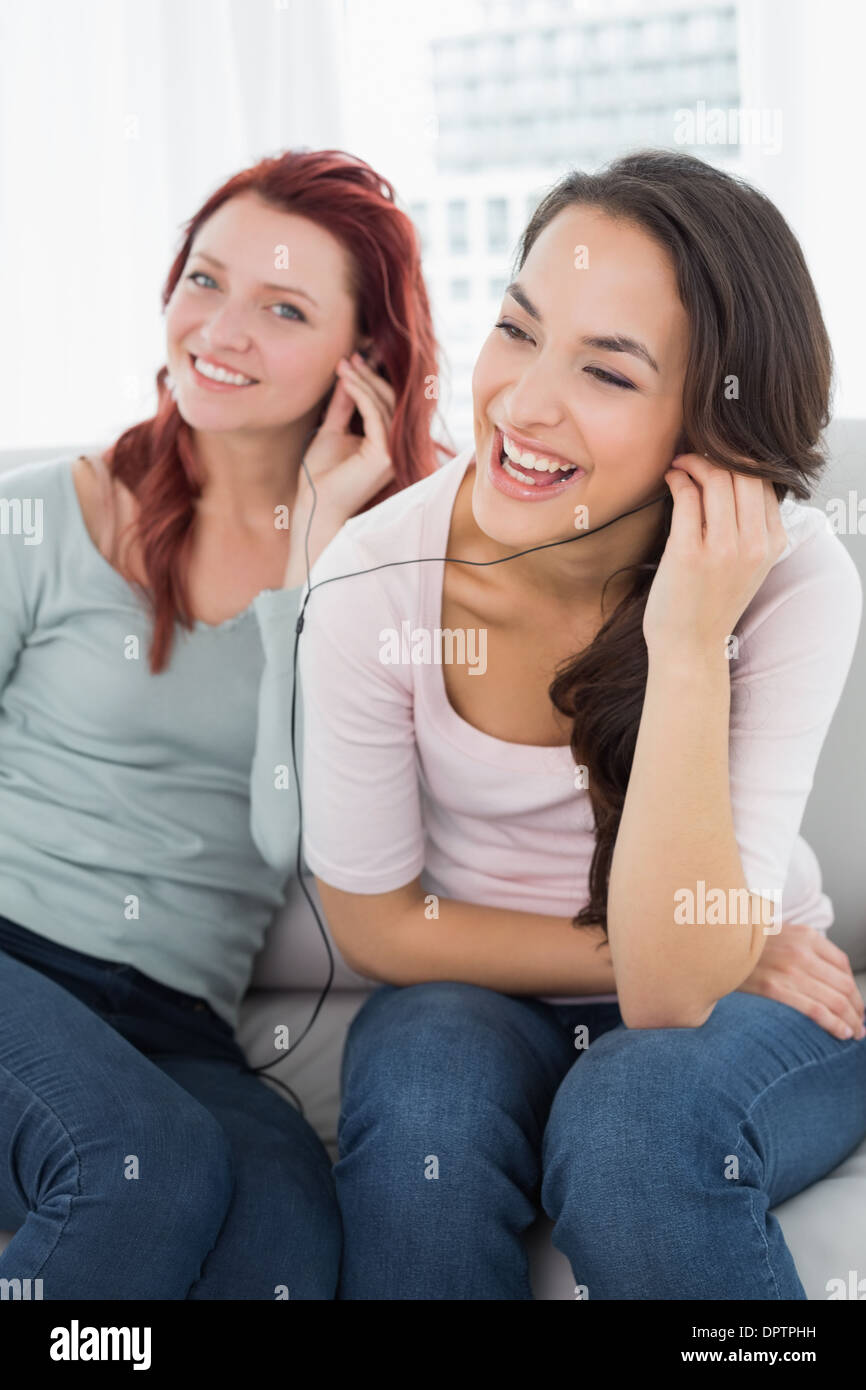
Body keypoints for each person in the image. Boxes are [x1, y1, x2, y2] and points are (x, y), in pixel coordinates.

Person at [298, 149, 866, 1299]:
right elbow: (372, 921)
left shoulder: (791, 577)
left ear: (712, 427)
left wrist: (689, 636)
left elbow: (669, 999)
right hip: (500, 985)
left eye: (606, 372)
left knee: (630, 1122)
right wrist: (720, 944)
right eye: (518, 329)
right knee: (422, 1118)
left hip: (748, 1011)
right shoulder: (374, 578)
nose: (521, 403)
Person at [0, 147, 446, 1299]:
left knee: (284, 1242)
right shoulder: (44, 517)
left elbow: (289, 837)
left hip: (174, 1024)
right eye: (204, 279)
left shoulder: (380, 569)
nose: (221, 328)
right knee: (142, 1172)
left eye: (283, 306)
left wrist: (308, 573)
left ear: (364, 362)